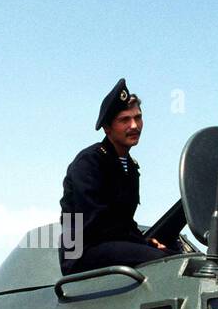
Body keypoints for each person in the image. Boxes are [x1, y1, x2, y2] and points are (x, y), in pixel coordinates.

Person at [59, 78, 172, 275]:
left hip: (109, 245)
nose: (135, 125)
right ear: (107, 128)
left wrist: (144, 242)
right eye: (125, 120)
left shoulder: (129, 167)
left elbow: (123, 221)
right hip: (81, 252)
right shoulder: (89, 163)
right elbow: (98, 223)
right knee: (164, 263)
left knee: (175, 255)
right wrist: (141, 245)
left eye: (138, 117)